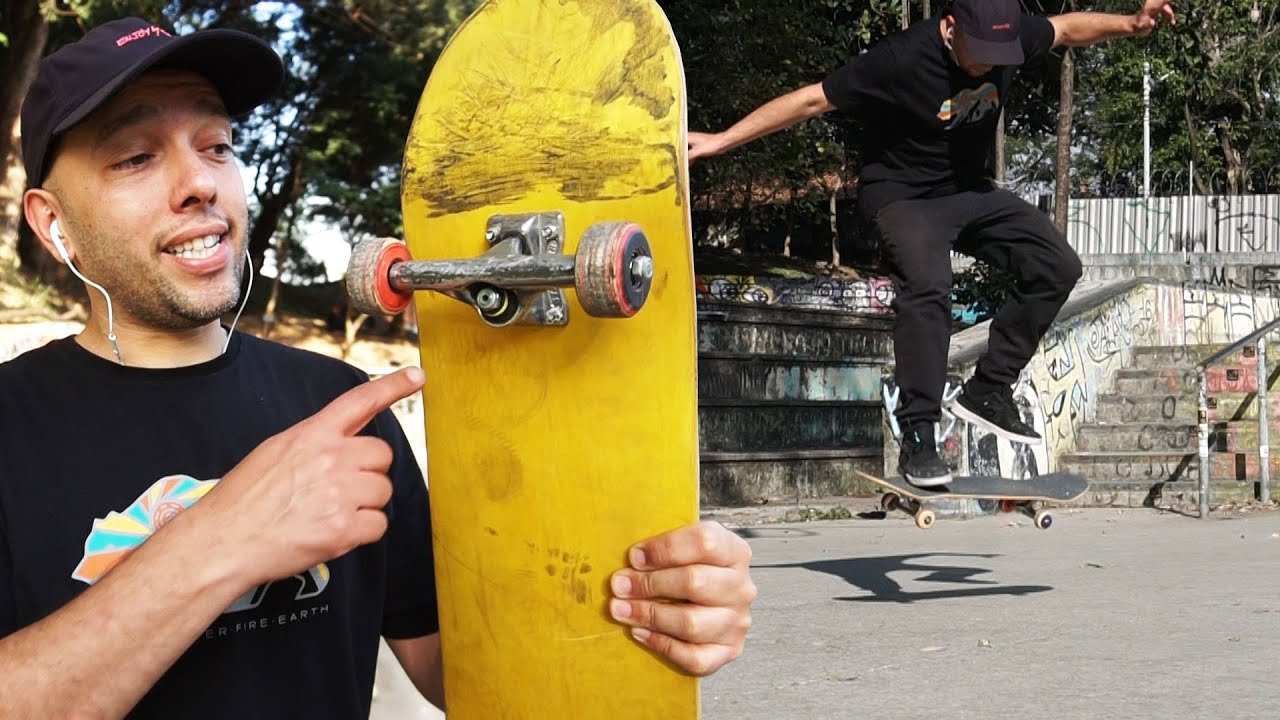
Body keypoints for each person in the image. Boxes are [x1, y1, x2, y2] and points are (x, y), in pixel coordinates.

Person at [0, 16, 755, 718]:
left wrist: (653, 619)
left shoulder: (338, 404)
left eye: (218, 145)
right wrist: (219, 539)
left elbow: (465, 677)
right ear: (50, 221)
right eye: (135, 156)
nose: (200, 183)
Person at [688, 0, 1176, 487]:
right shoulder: (900, 57)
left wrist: (1131, 25)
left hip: (967, 192)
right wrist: (721, 141)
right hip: (902, 198)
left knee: (1057, 264)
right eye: (977, 53)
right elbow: (813, 99)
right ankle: (919, 433)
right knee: (928, 285)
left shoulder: (1012, 35)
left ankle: (989, 390)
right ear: (949, 26)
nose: (987, 65)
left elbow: (1067, 28)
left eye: (996, 55)